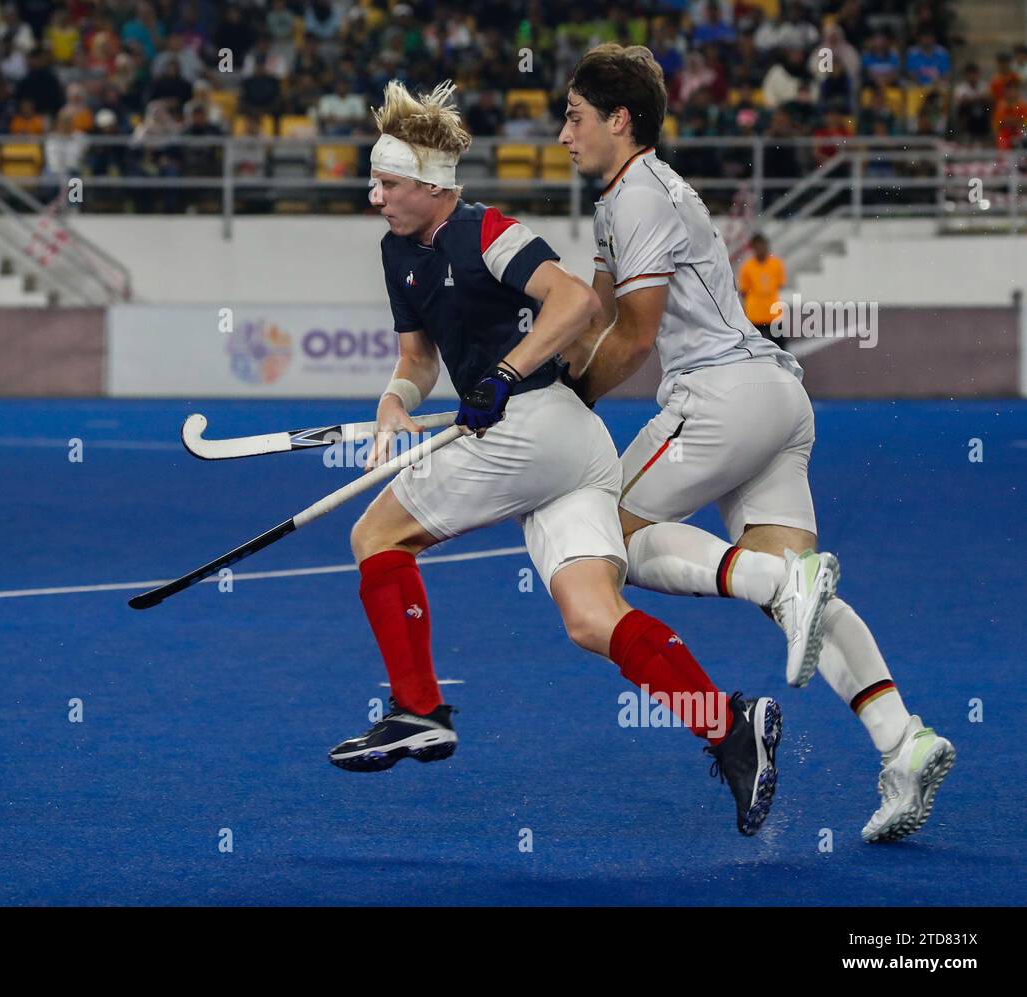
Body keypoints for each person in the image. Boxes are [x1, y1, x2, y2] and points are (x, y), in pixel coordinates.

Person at [332, 80, 784, 837]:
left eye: (388, 183)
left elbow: (574, 301)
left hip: (534, 424)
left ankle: (417, 709)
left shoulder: (486, 231)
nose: (375, 195)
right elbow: (417, 358)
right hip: (570, 449)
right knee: (590, 616)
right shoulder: (396, 255)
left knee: (375, 537)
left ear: (431, 185)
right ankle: (730, 725)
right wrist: (395, 399)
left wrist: (506, 372)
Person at [558, 44, 954, 842]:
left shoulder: (637, 196)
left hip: (718, 399)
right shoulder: (627, 198)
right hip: (777, 398)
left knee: (608, 538)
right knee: (807, 602)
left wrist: (572, 400)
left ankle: (774, 576)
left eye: (574, 116)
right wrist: (534, 377)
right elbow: (593, 318)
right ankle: (902, 741)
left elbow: (631, 340)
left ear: (619, 120)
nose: (563, 133)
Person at [736, 233, 786, 347]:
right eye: (757, 246)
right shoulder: (747, 267)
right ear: (753, 248)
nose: (760, 249)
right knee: (755, 348)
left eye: (762, 245)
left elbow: (779, 284)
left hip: (773, 313)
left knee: (780, 347)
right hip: (755, 314)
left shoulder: (777, 264)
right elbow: (744, 291)